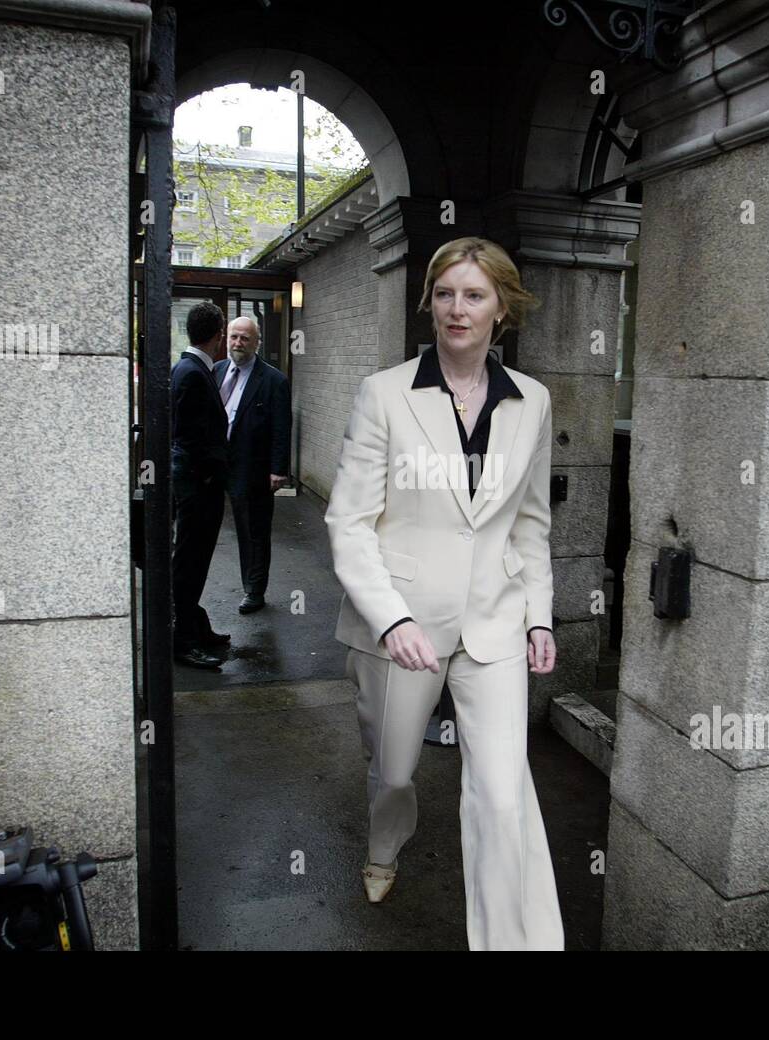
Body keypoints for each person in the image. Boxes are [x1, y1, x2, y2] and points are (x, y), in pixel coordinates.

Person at [324, 236, 564, 951]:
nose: (459, 309)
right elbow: (349, 521)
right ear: (429, 301)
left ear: (502, 310)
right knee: (395, 771)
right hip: (403, 626)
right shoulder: (385, 394)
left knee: (502, 795)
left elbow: (530, 525)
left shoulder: (534, 402)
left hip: (495, 625)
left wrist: (539, 618)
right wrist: (391, 617)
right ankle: (384, 844)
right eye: (447, 293)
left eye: (476, 295)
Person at [212, 316, 291, 614]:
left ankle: (254, 590)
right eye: (234, 337)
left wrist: (278, 469)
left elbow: (282, 428)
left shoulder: (273, 380)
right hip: (217, 464)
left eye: (245, 338)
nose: (238, 343)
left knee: (254, 531)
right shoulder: (216, 371)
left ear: (256, 342)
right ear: (225, 338)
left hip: (253, 466)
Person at [171, 301, 231, 671]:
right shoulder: (192, 373)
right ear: (218, 335)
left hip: (196, 486)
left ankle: (195, 625)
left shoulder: (191, 368)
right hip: (197, 489)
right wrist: (212, 474)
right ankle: (184, 641)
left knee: (193, 562)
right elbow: (191, 437)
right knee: (189, 564)